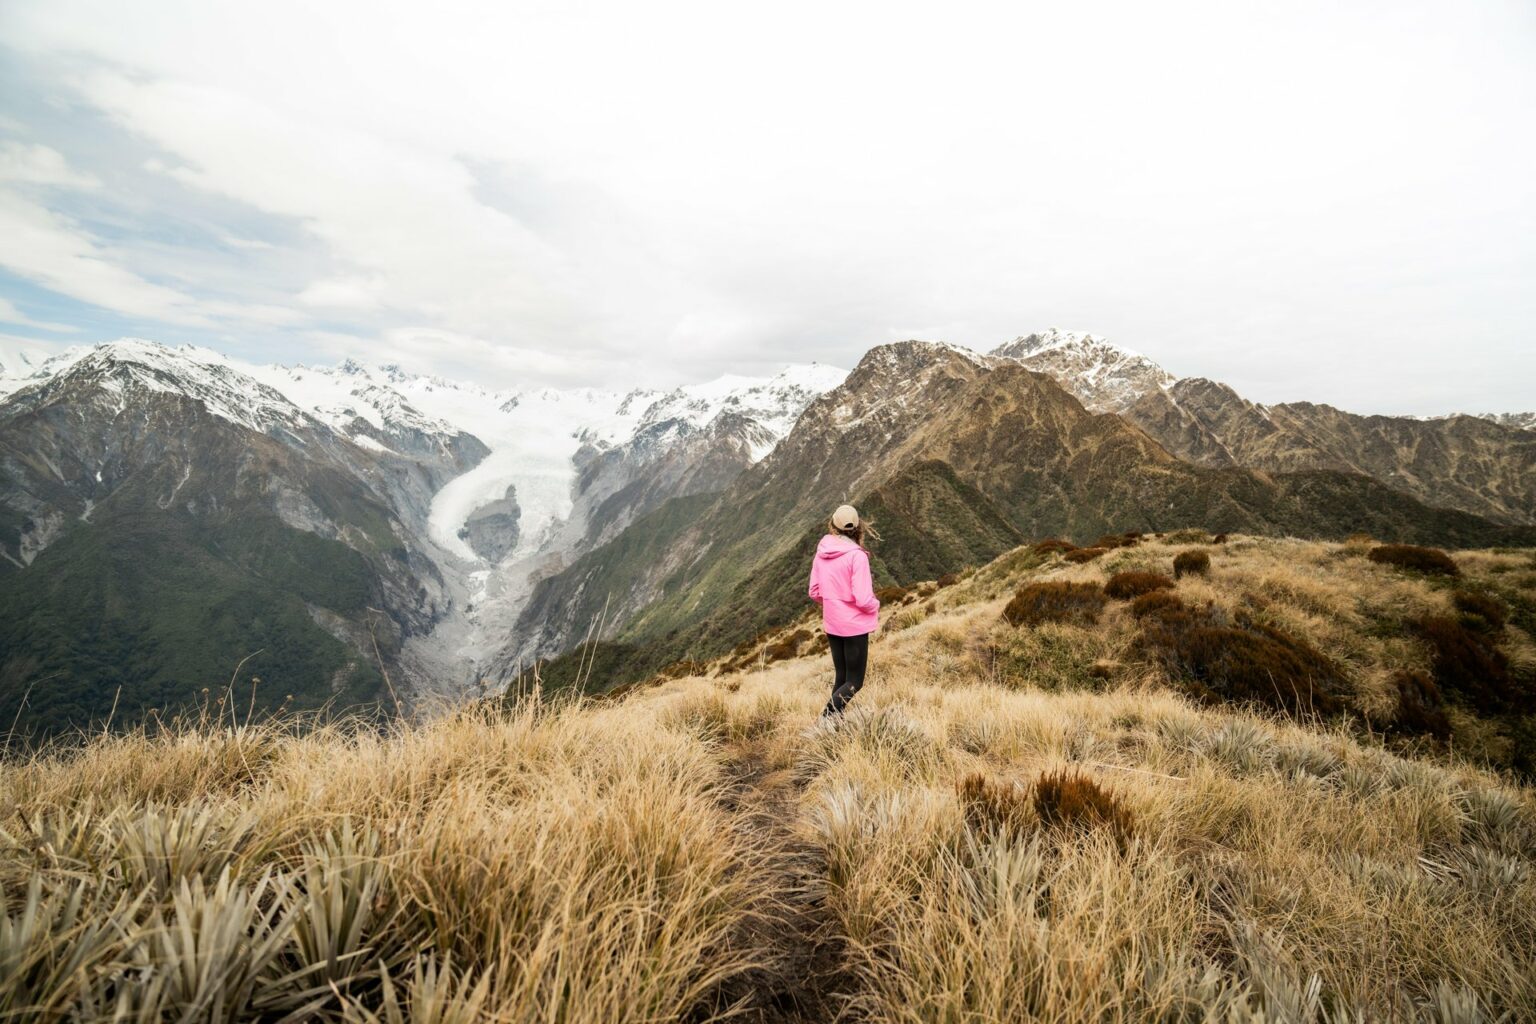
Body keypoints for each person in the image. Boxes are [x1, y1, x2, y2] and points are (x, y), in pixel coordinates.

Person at [807, 503, 880, 718]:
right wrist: (876, 605)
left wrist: (833, 601)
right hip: (854, 626)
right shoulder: (857, 556)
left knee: (841, 678)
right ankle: (826, 720)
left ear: (833, 526)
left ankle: (832, 728)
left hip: (833, 622)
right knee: (855, 682)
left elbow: (814, 591)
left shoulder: (822, 552)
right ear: (858, 527)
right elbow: (863, 598)